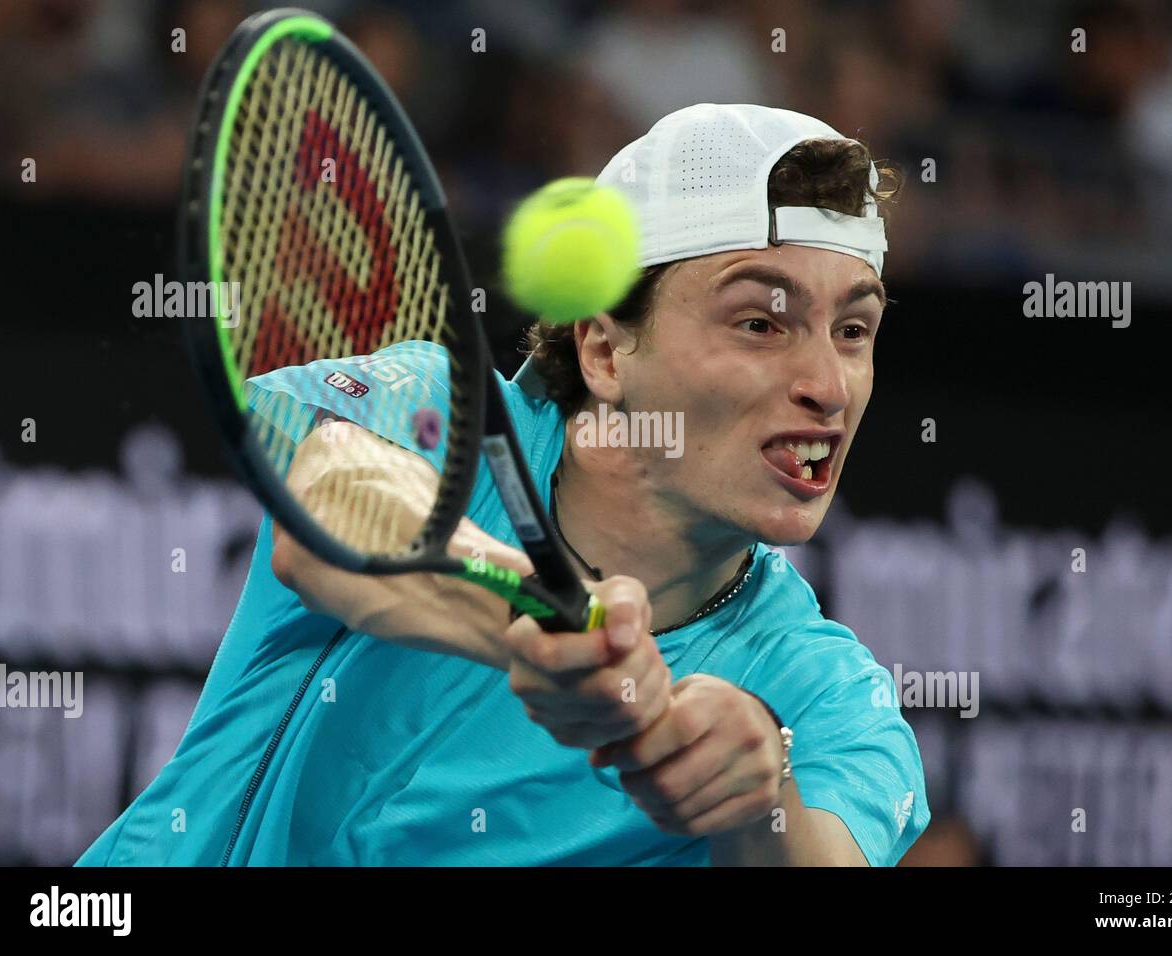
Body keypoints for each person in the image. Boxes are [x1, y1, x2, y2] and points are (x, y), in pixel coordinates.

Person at [77, 103, 929, 866]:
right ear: (604, 351)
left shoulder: (826, 691)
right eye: (759, 322)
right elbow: (330, 503)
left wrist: (759, 803)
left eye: (854, 330)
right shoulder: (443, 411)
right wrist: (539, 610)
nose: (830, 383)